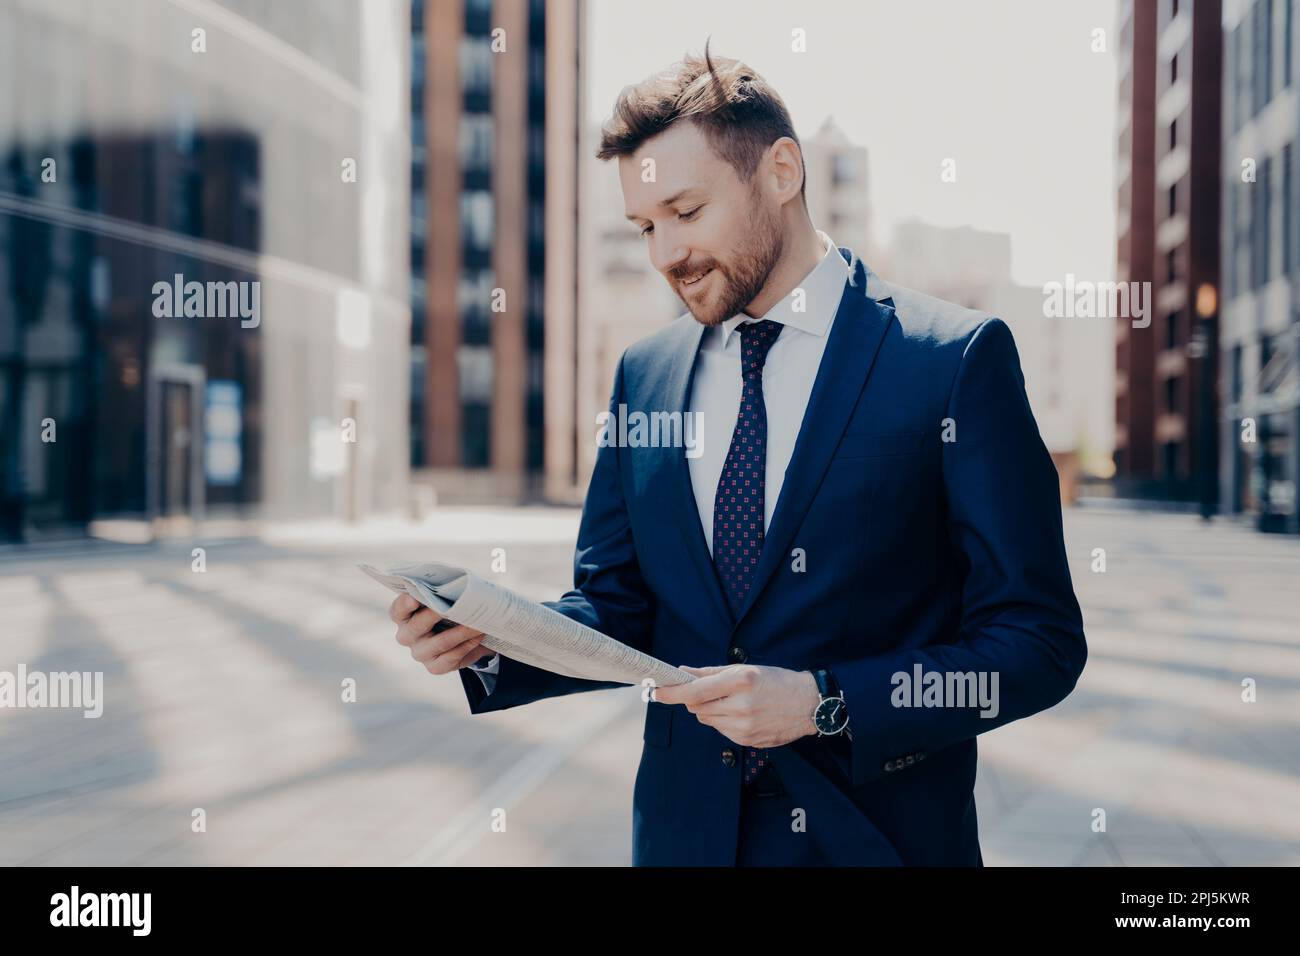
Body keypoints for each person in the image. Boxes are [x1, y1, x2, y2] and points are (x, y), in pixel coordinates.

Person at [389, 47, 1086, 866]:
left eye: (686, 211)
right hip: (685, 840)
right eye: (646, 226)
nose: (664, 255)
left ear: (781, 170)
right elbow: (619, 608)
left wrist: (827, 703)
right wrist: (494, 639)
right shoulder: (644, 376)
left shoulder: (951, 360)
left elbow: (1036, 643)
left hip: (875, 844)